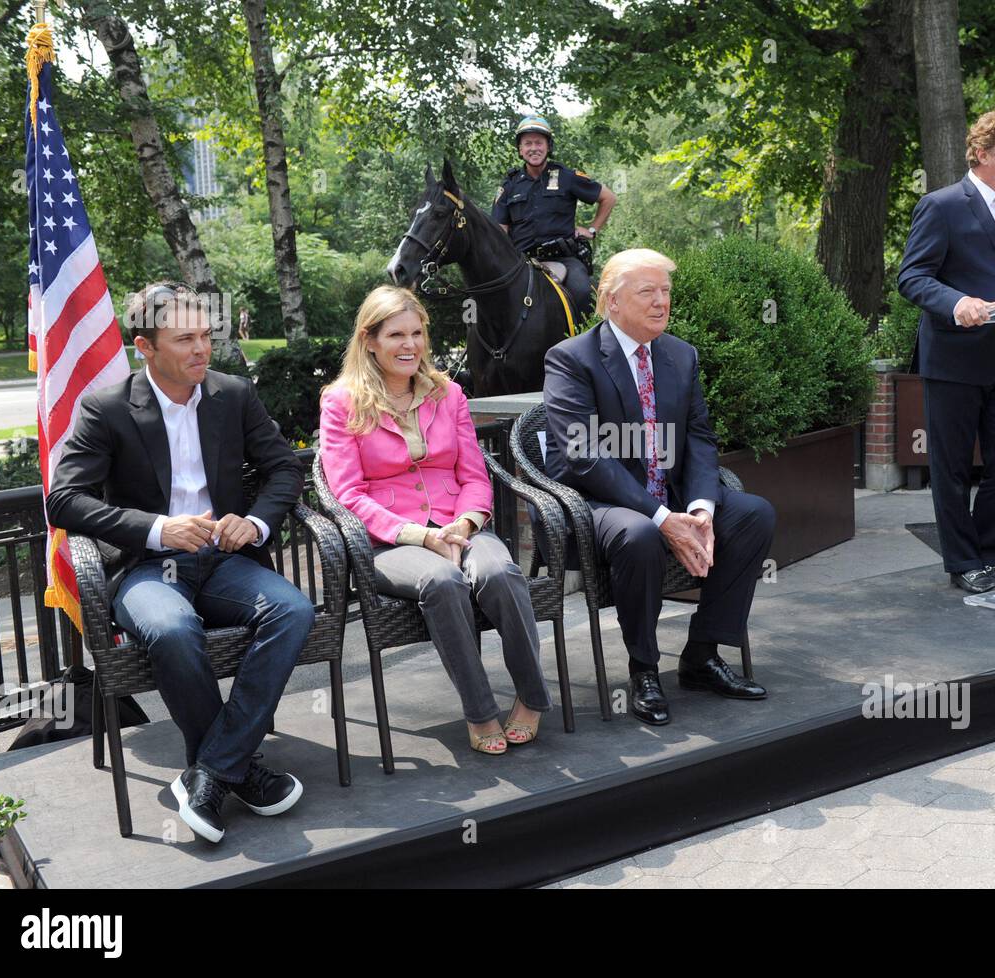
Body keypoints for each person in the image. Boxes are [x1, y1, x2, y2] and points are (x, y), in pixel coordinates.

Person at [46, 282, 313, 844]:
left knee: (291, 609)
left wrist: (257, 522)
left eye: (205, 336)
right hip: (146, 568)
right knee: (172, 628)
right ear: (145, 347)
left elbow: (284, 469)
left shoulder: (233, 394)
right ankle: (237, 768)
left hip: (221, 561)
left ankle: (212, 772)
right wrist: (157, 527)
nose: (201, 349)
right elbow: (64, 499)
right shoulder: (107, 408)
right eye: (184, 338)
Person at [542, 248, 776, 726]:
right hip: (595, 501)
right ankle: (644, 668)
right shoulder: (571, 359)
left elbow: (698, 438)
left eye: (665, 291)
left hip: (666, 496)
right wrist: (663, 517)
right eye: (647, 291)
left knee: (753, 514)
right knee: (642, 533)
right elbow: (585, 455)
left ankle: (701, 655)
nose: (661, 302)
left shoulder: (680, 355)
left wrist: (702, 509)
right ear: (611, 302)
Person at [319, 285, 551, 755]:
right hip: (391, 541)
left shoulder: (449, 394)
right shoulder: (342, 402)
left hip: (458, 526)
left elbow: (474, 475)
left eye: (417, 333)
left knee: (499, 572)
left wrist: (465, 524)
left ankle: (531, 698)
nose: (410, 345)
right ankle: (481, 711)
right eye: (396, 335)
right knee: (443, 582)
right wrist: (420, 536)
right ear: (369, 340)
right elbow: (347, 495)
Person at [898, 109, 995, 594]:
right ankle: (963, 563)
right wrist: (957, 302)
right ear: (984, 154)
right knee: (953, 467)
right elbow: (913, 276)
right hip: (954, 359)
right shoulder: (941, 206)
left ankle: (989, 558)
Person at [492, 115, 617, 317]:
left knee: (584, 292)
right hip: (522, 261)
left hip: (565, 258)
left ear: (548, 146)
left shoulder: (566, 176)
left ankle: (584, 344)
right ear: (520, 149)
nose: (534, 148)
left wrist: (592, 229)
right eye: (528, 143)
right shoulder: (509, 185)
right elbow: (500, 230)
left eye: (539, 143)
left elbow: (609, 197)